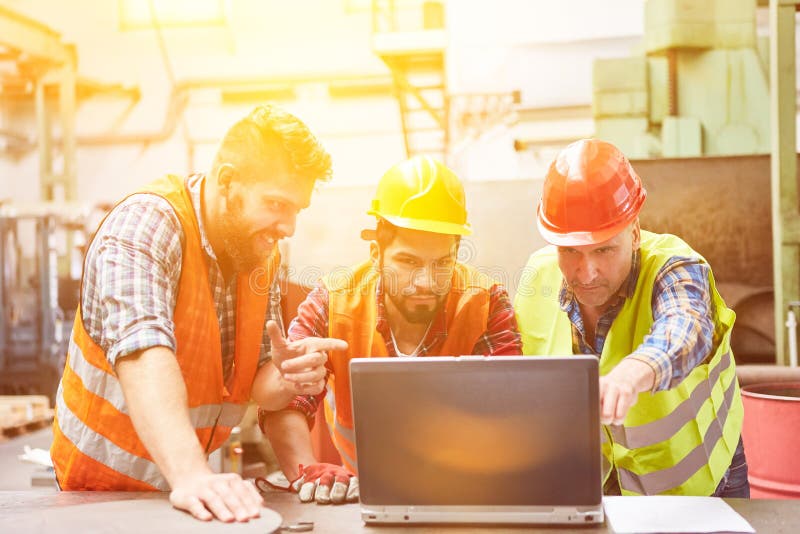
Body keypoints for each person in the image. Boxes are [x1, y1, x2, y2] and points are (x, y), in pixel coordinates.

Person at [50, 104, 347, 522]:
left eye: (297, 210)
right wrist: (192, 473)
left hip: (184, 495)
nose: (288, 227)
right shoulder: (146, 226)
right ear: (227, 181)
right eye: (277, 204)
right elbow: (142, 351)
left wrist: (286, 376)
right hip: (98, 498)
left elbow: (260, 378)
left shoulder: (258, 255)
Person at [257, 155, 523, 504]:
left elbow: (511, 415)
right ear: (376, 253)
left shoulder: (486, 304)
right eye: (408, 262)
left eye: (442, 263)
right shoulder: (334, 300)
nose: (426, 282)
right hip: (363, 501)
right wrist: (307, 471)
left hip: (466, 497)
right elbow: (289, 399)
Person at [514, 138, 748, 497]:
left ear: (635, 233)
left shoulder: (674, 266)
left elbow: (686, 327)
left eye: (604, 249)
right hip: (606, 485)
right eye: (570, 251)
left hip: (704, 485)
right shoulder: (537, 276)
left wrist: (631, 372)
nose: (587, 272)